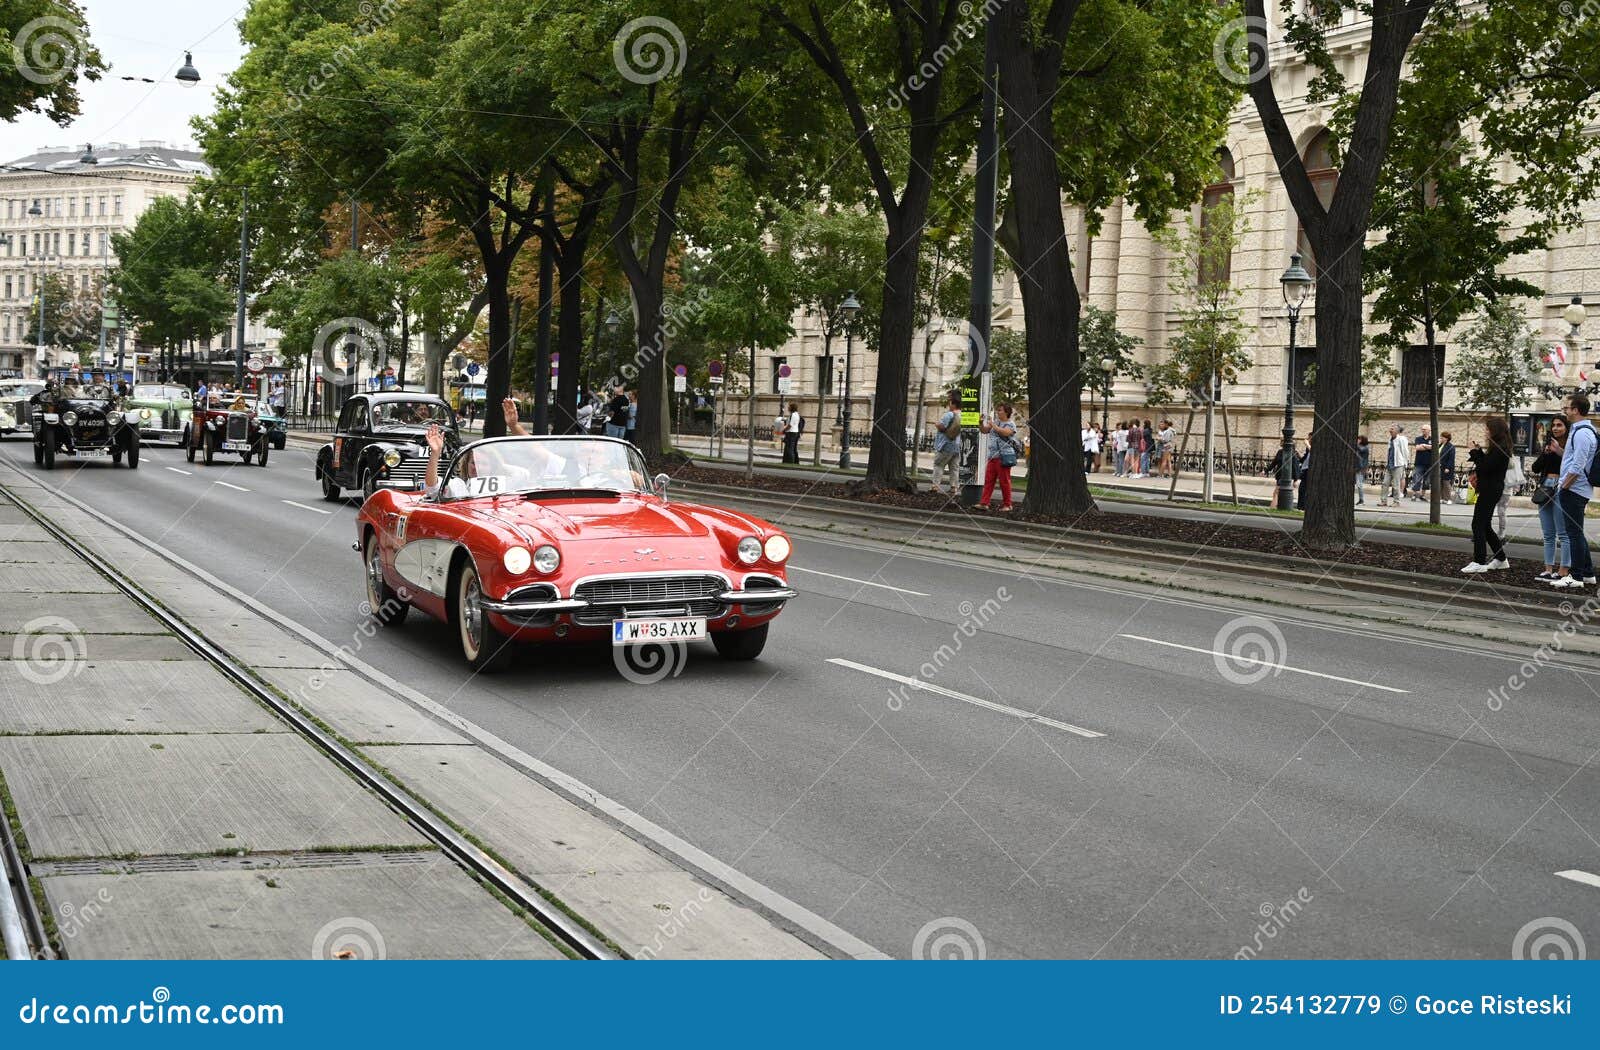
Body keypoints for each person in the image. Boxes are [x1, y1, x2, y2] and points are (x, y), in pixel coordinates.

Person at [1554, 393, 1597, 589]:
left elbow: (1578, 465)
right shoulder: (1582, 430)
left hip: (1574, 490)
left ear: (1576, 410)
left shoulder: (1582, 433)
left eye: (1568, 408)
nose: (1566, 411)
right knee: (1576, 532)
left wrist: (1564, 486)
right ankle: (1587, 574)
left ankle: (1577, 576)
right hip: (1576, 489)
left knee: (1574, 534)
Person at [1462, 416, 1512, 574]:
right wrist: (1478, 451)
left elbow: (1484, 468)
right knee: (1485, 525)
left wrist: (1474, 452)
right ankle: (1500, 558)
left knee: (1477, 524)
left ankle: (1479, 561)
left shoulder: (1500, 448)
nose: (1486, 432)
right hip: (1490, 488)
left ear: (1495, 431)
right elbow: (1487, 464)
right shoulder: (1498, 446)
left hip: (1491, 489)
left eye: (1488, 429)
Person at [1532, 418, 1571, 583]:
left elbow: (1573, 466)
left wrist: (1559, 450)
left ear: (1566, 427)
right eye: (1553, 425)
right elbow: (1535, 468)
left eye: (1559, 425)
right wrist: (1546, 453)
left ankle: (1563, 570)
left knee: (1563, 533)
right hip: (1545, 487)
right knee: (1548, 533)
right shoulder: (1548, 445)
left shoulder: (1571, 445)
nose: (1555, 428)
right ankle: (1548, 569)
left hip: (1562, 487)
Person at [978, 403, 1019, 512]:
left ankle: (1008, 504)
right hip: (992, 456)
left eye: (1000, 410)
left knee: (1004, 482)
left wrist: (994, 425)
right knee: (989, 480)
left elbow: (1005, 433)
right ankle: (984, 503)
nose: (997, 412)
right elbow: (984, 430)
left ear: (1006, 412)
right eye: (997, 410)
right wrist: (981, 422)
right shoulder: (996, 422)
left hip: (1003, 457)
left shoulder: (1010, 424)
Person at [930, 390, 962, 495]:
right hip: (957, 446)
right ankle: (954, 487)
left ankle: (935, 486)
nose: (948, 403)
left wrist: (937, 424)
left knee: (938, 464)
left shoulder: (949, 415)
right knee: (954, 467)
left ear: (953, 403)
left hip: (946, 444)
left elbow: (942, 427)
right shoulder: (963, 415)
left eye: (949, 400)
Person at [1380, 424, 1408, 507]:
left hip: (1398, 464)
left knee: (1396, 484)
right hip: (1390, 465)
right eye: (1390, 428)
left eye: (1392, 429)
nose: (1390, 430)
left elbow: (1405, 452)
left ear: (1397, 431)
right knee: (1385, 483)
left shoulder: (1402, 439)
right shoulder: (1390, 439)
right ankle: (1383, 501)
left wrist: (1404, 464)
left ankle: (1396, 501)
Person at [1409, 424, 1433, 500]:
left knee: (1427, 481)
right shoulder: (1418, 438)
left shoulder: (1433, 439)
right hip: (1419, 463)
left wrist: (1424, 445)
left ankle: (1422, 495)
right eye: (1422, 429)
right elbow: (1418, 448)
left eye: (1424, 429)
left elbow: (1434, 447)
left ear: (1429, 431)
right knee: (1417, 479)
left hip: (1429, 463)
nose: (1423, 430)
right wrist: (1428, 447)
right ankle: (1414, 494)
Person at [1437, 431, 1457, 504]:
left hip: (1447, 468)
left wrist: (1448, 468)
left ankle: (1449, 499)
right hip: (1440, 467)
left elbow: (1451, 459)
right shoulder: (1441, 445)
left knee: (1446, 483)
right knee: (1440, 483)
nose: (1440, 438)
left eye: (1442, 437)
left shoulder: (1451, 447)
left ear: (1446, 438)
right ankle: (1442, 498)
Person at [1355, 435, 1370, 505]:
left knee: (1359, 484)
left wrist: (1356, 444)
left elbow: (1360, 450)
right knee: (1358, 484)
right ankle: (1361, 499)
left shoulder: (1365, 448)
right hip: (1358, 467)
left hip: (1361, 468)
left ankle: (1361, 500)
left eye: (1359, 439)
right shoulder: (1360, 447)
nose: (1358, 440)